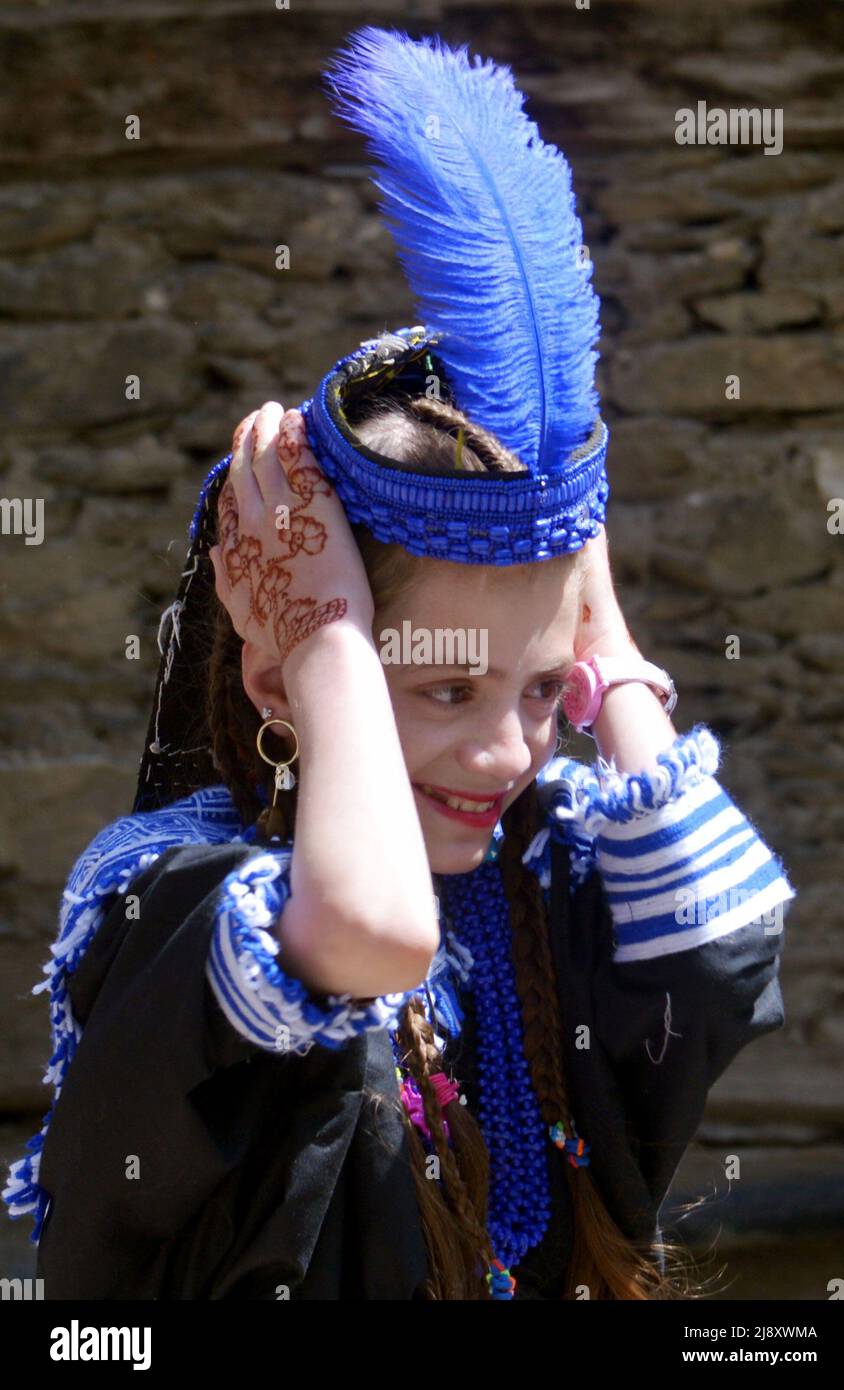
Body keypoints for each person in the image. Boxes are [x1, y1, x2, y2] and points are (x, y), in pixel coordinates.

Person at [3, 27, 795, 1301]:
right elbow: (368, 930)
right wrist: (321, 638)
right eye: (440, 688)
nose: (506, 751)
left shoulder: (538, 882)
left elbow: (726, 935)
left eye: (540, 690)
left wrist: (600, 628)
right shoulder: (179, 901)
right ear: (281, 687)